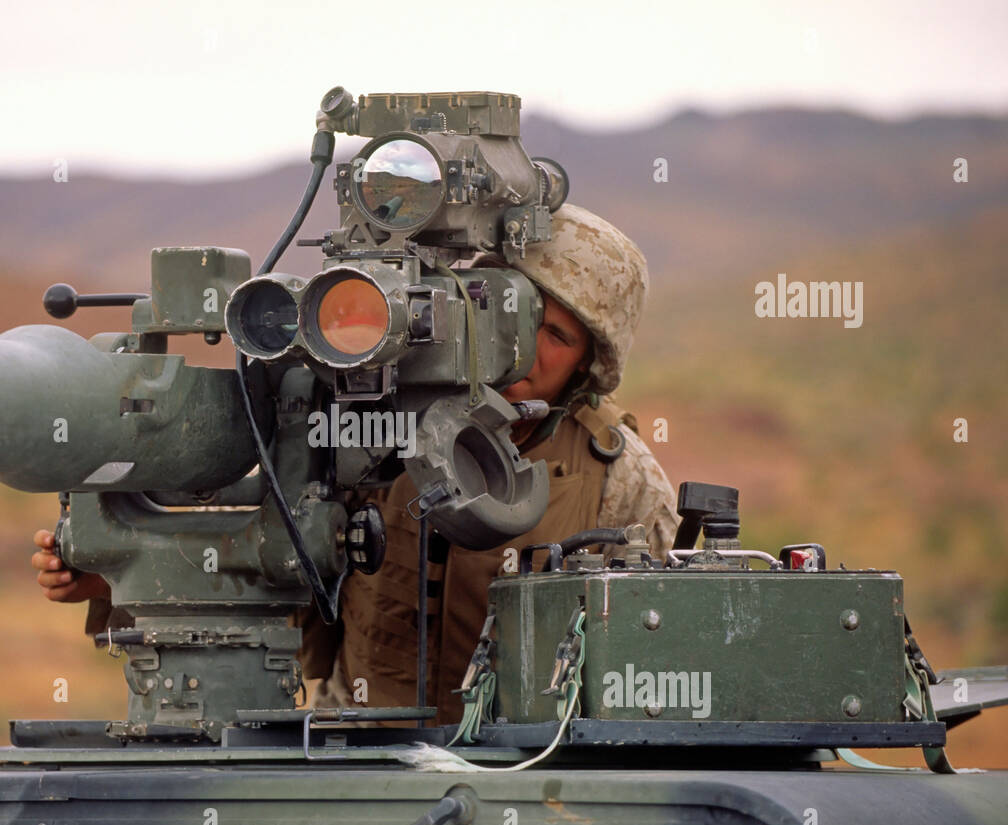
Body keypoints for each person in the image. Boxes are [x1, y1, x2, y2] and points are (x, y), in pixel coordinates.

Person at [33, 203, 679, 724]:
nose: (524, 348)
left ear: (589, 366)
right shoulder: (363, 421)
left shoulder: (620, 482)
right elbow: (277, 574)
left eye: (558, 336)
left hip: (530, 780)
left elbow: (643, 674)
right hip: (353, 763)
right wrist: (112, 581)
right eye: (512, 313)